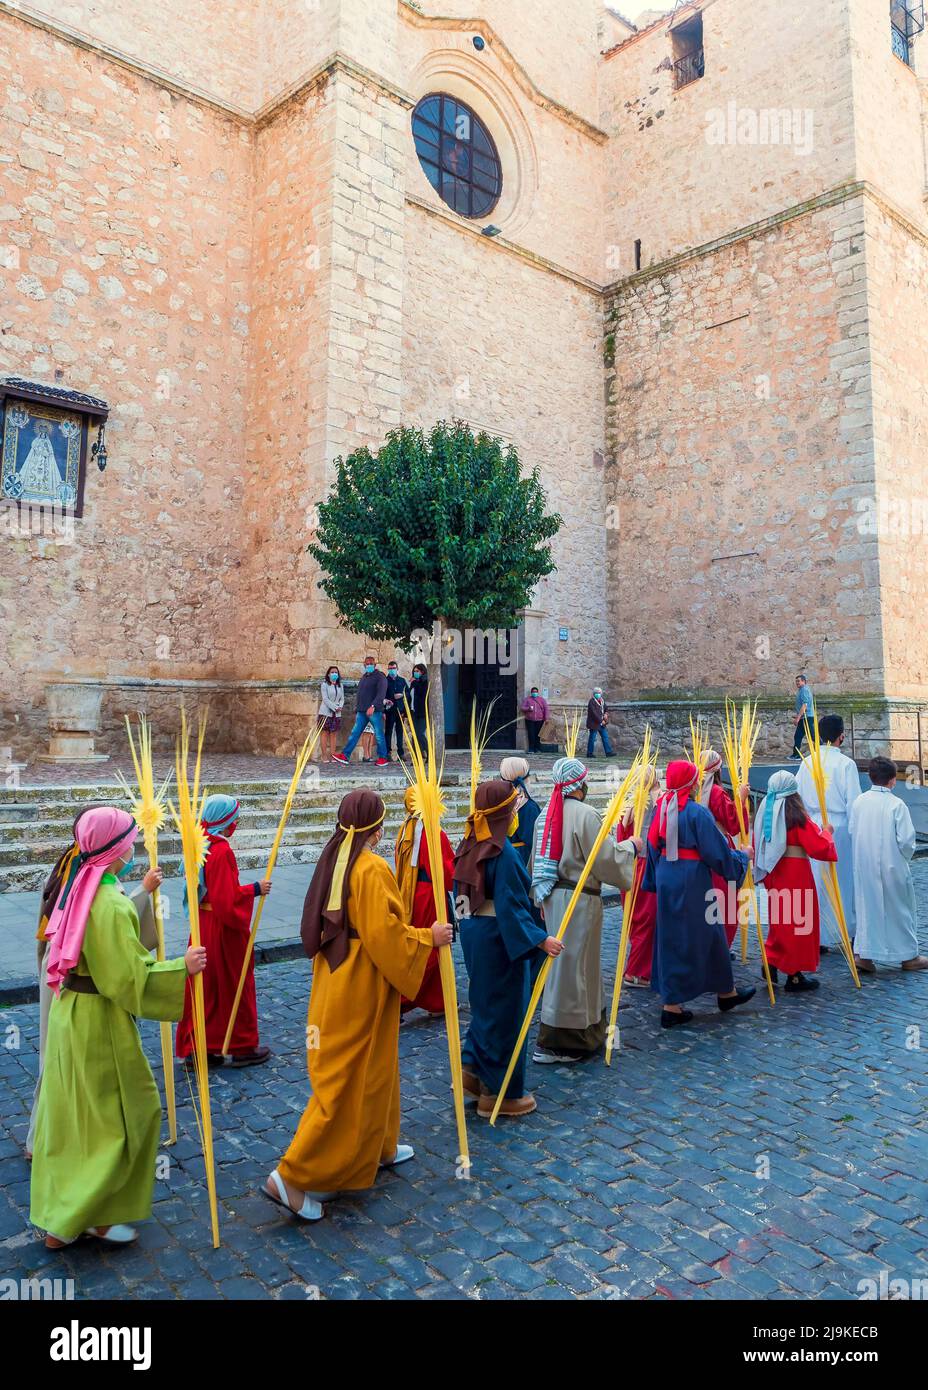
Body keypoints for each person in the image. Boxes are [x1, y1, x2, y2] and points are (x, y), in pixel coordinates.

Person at [264, 791, 452, 1222]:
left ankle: (377, 1146)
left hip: (335, 978)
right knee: (346, 1076)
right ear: (375, 828)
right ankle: (291, 1176)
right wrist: (428, 938)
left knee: (375, 1064)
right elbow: (385, 934)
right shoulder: (371, 867)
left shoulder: (337, 858)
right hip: (360, 982)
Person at [30, 807, 206, 1250]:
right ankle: (90, 1216)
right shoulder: (105, 902)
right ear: (114, 850)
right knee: (126, 1113)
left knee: (78, 1117)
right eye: (128, 841)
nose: (132, 848)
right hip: (97, 1022)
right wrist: (180, 968)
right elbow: (128, 976)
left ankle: (66, 1218)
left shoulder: (84, 886)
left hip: (72, 1014)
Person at [26, 804, 162, 1159]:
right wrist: (144, 892)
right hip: (73, 982)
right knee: (62, 1066)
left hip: (56, 974)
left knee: (55, 1059)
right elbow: (100, 929)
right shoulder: (78, 873)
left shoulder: (75, 865)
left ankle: (43, 1138)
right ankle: (48, 1141)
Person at [454, 779, 562, 1117]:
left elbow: (459, 897)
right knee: (508, 1012)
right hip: (501, 943)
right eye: (513, 807)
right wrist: (540, 939)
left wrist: (469, 930)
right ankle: (500, 1093)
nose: (517, 811)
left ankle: (472, 1068)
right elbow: (512, 908)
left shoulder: (469, 844)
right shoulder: (504, 852)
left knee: (484, 1004)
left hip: (477, 937)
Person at [531, 757, 639, 1062]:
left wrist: (540, 899)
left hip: (553, 897)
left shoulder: (544, 816)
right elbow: (604, 859)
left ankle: (577, 1033)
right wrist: (631, 847)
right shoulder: (585, 815)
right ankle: (564, 1042)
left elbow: (538, 864)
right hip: (577, 900)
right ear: (580, 784)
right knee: (575, 969)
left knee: (566, 967)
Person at [643, 760, 756, 1028]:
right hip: (690, 878)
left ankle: (679, 1002)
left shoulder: (661, 809)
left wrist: (653, 879)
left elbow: (651, 846)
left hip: (666, 877)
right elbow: (715, 850)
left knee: (671, 937)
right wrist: (741, 858)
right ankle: (717, 994)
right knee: (710, 933)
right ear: (690, 783)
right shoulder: (695, 812)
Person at [175, 794, 272, 1068]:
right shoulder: (220, 851)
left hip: (202, 926)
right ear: (225, 821)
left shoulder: (200, 845)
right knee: (232, 983)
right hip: (221, 930)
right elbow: (226, 902)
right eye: (234, 819)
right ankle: (240, 1045)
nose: (237, 823)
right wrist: (254, 889)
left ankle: (203, 1048)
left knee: (205, 987)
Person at [754, 770, 836, 992]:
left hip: (775, 872)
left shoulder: (766, 810)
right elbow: (817, 847)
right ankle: (794, 974)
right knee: (799, 924)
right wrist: (827, 834)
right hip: (795, 873)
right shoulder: (797, 817)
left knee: (780, 922)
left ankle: (771, 961)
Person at [850, 757, 927, 975]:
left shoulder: (859, 802)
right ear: (893, 781)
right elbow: (906, 841)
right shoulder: (896, 805)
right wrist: (902, 857)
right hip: (892, 864)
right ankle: (908, 955)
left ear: (870, 777)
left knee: (868, 908)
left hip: (864, 863)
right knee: (900, 909)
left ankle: (864, 954)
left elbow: (853, 830)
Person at [797, 714, 862, 950]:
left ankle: (819, 935)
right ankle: (847, 929)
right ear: (841, 736)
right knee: (843, 881)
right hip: (840, 827)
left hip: (813, 824)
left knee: (817, 880)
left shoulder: (807, 762)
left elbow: (798, 798)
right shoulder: (846, 764)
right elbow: (853, 802)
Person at [395, 786, 453, 1015]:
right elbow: (444, 868)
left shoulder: (407, 827)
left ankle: (437, 1001)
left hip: (414, 892)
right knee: (432, 946)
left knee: (433, 946)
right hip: (429, 894)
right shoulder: (430, 831)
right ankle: (401, 998)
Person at [699, 749, 751, 949]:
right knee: (725, 900)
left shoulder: (699, 791)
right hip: (719, 844)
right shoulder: (717, 792)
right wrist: (740, 799)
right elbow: (733, 823)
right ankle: (719, 946)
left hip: (702, 850)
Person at [616, 769, 660, 988]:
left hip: (628, 868)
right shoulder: (653, 806)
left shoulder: (627, 804)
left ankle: (643, 968)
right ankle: (636, 972)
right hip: (644, 866)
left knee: (635, 920)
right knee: (646, 921)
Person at [332, 656, 390, 767]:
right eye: (367, 663)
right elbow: (360, 694)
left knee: (378, 734)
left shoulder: (380, 677)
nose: (368, 665)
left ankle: (383, 758)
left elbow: (381, 693)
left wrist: (373, 706)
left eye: (371, 663)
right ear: (364, 664)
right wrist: (357, 708)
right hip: (362, 711)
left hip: (374, 711)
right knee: (355, 733)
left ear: (374, 664)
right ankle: (345, 755)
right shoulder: (364, 677)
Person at [500, 755, 540, 867]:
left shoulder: (495, 802)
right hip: (521, 861)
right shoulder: (529, 807)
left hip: (500, 859)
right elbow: (535, 840)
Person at [317, 666, 344, 763]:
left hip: (337, 714)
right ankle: (324, 756)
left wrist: (340, 706)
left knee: (334, 734)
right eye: (332, 672)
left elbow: (342, 698)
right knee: (324, 733)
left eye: (336, 672)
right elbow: (325, 699)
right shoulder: (324, 685)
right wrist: (335, 707)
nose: (334, 674)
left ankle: (333, 756)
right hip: (326, 712)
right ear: (328, 674)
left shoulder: (340, 685)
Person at [384, 660, 410, 762]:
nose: (392, 670)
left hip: (400, 710)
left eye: (393, 668)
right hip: (389, 711)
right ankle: (388, 752)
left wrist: (402, 695)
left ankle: (401, 753)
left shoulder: (402, 681)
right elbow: (382, 695)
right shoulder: (385, 681)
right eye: (390, 669)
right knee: (388, 732)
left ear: (397, 669)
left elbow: (408, 693)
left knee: (400, 731)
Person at [586, 687, 614, 759]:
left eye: (599, 692)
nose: (598, 694)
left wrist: (606, 714)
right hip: (594, 723)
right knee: (592, 738)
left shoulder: (602, 701)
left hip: (601, 723)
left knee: (605, 737)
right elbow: (594, 713)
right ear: (594, 694)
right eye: (596, 693)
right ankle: (589, 753)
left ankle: (608, 752)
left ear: (601, 693)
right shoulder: (591, 701)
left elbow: (606, 708)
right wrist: (601, 720)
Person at [791, 674, 815, 758]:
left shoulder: (804, 690)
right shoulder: (801, 690)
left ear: (804, 681)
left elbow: (804, 705)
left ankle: (823, 752)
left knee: (813, 736)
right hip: (803, 717)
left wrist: (797, 718)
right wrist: (798, 716)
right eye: (796, 681)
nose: (797, 682)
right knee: (798, 736)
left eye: (798, 681)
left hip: (807, 717)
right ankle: (796, 755)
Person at [521, 686, 549, 754]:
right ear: (531, 692)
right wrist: (528, 709)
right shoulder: (527, 699)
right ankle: (531, 749)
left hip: (539, 720)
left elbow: (546, 709)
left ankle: (537, 749)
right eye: (533, 692)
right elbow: (522, 708)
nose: (534, 693)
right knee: (531, 734)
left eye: (536, 692)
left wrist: (546, 718)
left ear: (538, 692)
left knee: (538, 735)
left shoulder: (541, 700)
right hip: (530, 720)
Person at [408, 662, 429, 751]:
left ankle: (429, 753)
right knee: (414, 735)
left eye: (417, 671)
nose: (415, 673)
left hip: (423, 713)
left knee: (420, 734)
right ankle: (417, 758)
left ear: (422, 672)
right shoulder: (414, 683)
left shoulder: (425, 682)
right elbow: (410, 697)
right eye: (414, 671)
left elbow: (423, 694)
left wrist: (415, 683)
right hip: (414, 712)